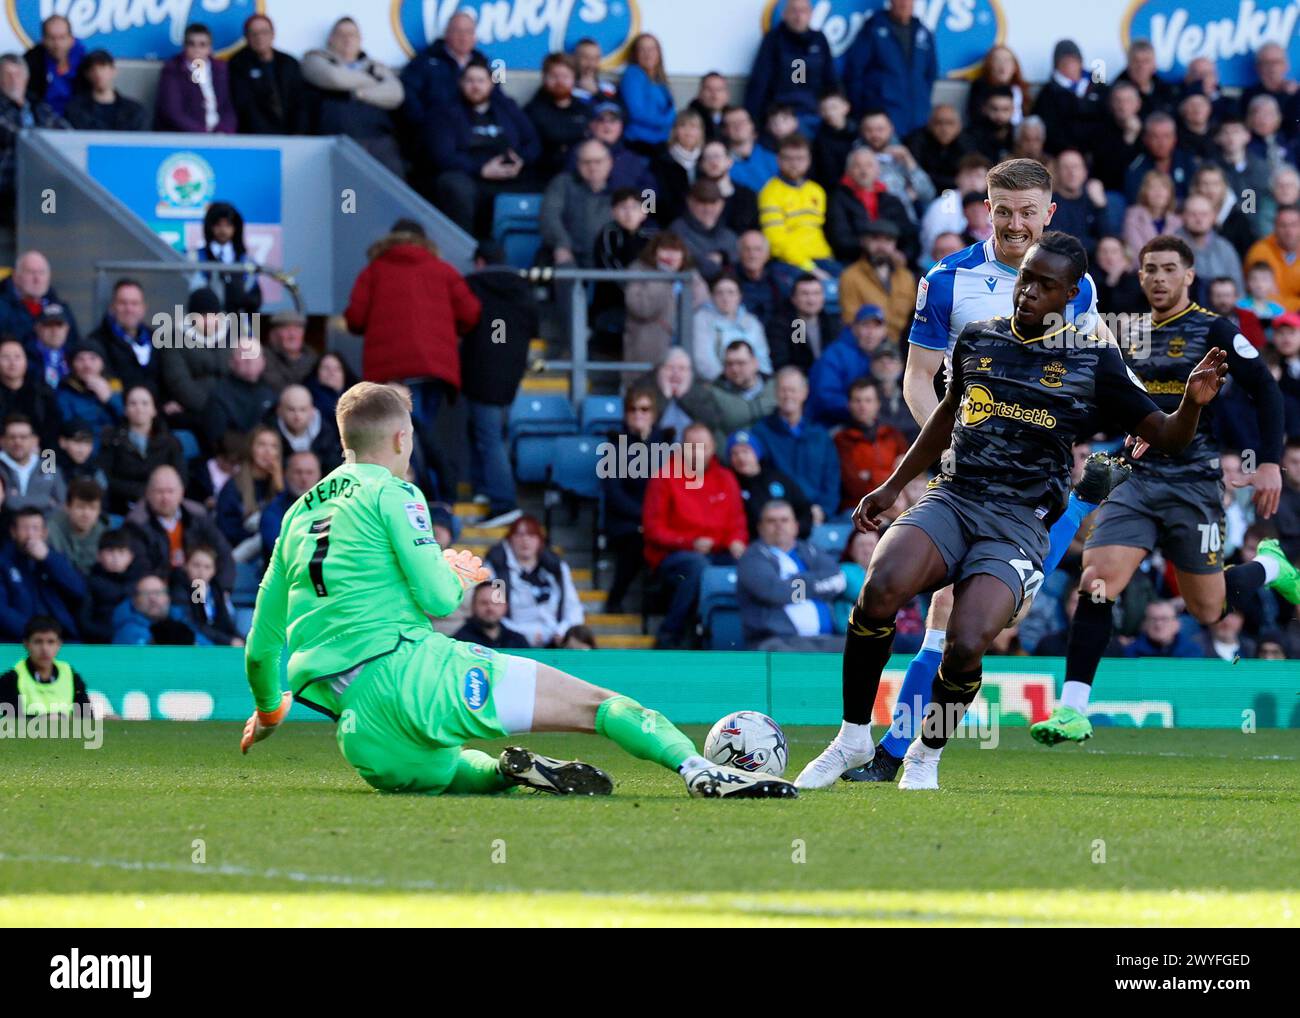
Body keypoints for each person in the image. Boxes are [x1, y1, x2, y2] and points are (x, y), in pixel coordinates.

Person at [800, 232, 1231, 792]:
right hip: (954, 497)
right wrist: (892, 486)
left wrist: (1190, 406)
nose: (1026, 291)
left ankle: (926, 754)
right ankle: (852, 737)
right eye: (1025, 277)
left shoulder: (1093, 361)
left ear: (1070, 293)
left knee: (967, 641)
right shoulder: (979, 339)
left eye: (1043, 284)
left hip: (1018, 521)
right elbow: (945, 418)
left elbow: (1167, 437)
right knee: (880, 587)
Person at [240, 383, 795, 797]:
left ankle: (508, 771)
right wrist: (451, 570)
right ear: (402, 436)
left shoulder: (293, 516)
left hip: (358, 726)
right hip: (417, 673)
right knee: (599, 706)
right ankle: (698, 770)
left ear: (343, 442)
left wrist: (268, 714)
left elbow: (261, 646)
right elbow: (438, 601)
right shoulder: (396, 493)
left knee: (450, 769)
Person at [845, 161, 1119, 784]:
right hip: (962, 470)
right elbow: (920, 378)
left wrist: (1155, 417)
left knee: (968, 623)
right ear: (985, 209)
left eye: (1028, 212)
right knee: (940, 610)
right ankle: (895, 752)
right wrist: (941, 447)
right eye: (1003, 210)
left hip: (1028, 483)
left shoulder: (1076, 285)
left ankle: (901, 752)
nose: (1015, 223)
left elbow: (1101, 360)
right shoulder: (946, 281)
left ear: (1049, 212)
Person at [1031, 235, 1296, 746]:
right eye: (1149, 268)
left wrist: (1268, 463)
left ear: (1189, 276)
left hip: (1194, 486)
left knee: (1208, 609)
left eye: (1168, 269)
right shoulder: (1125, 330)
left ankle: (1270, 567)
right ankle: (1072, 710)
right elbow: (1106, 398)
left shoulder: (1215, 329)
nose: (1157, 278)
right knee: (1097, 581)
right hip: (1136, 479)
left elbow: (1265, 390)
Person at [344, 220, 480, 473]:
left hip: (389, 372)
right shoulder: (444, 270)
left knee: (400, 433)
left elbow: (355, 318)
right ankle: (432, 486)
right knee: (416, 429)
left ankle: (424, 485)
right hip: (432, 369)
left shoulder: (374, 271)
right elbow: (471, 313)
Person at [642, 423, 748, 649]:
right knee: (697, 567)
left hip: (719, 552)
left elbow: (737, 521)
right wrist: (689, 543)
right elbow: (653, 529)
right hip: (673, 556)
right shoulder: (665, 477)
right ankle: (669, 636)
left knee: (751, 565)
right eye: (691, 446)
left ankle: (737, 637)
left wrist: (737, 541)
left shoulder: (726, 477)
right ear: (681, 448)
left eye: (703, 446)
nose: (697, 452)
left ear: (712, 448)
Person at [462, 242, 537, 527]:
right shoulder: (523, 288)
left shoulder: (472, 285)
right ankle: (483, 489)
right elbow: (534, 326)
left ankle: (504, 502)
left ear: (480, 262)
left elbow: (463, 320)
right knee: (491, 434)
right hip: (510, 373)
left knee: (490, 438)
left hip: (480, 371)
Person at [429, 62, 540, 235]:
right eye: (470, 81)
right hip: (470, 176)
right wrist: (480, 169)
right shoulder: (446, 112)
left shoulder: (507, 108)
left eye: (481, 81)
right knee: (453, 185)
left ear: (491, 83)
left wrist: (521, 160)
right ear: (460, 84)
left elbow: (532, 142)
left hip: (510, 175)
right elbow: (443, 155)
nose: (475, 86)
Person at [737, 499, 845, 651]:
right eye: (771, 521)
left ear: (795, 526)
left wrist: (795, 583)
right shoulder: (752, 557)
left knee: (867, 650)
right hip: (777, 640)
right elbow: (775, 592)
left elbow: (838, 579)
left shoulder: (810, 550)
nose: (779, 525)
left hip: (824, 639)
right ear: (760, 528)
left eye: (784, 520)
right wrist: (816, 585)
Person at [302, 17, 404, 175]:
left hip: (379, 143)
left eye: (352, 34)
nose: (347, 39)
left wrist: (359, 93)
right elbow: (335, 78)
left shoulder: (375, 66)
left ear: (360, 39)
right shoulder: (316, 59)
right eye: (341, 34)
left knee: (392, 193)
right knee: (349, 196)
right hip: (338, 142)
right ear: (331, 38)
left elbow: (396, 94)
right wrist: (375, 82)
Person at [124, 465, 234, 592]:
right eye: (159, 491)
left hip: (198, 589)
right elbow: (141, 568)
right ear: (148, 493)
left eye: (170, 491)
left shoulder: (198, 515)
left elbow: (223, 552)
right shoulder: (136, 523)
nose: (165, 498)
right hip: (161, 594)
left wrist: (223, 590)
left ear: (181, 492)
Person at [752, 366, 839, 522]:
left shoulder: (820, 435)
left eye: (793, 390)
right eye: (783, 390)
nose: (788, 395)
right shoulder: (761, 432)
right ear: (776, 393)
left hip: (816, 515)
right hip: (777, 517)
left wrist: (824, 510)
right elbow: (759, 480)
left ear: (804, 393)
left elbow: (832, 479)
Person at [483, 515, 584, 648]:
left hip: (555, 638)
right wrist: (522, 634)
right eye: (519, 535)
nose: (525, 540)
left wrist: (562, 630)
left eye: (531, 535)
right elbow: (494, 610)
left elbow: (573, 607)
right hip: (513, 638)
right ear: (510, 540)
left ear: (540, 541)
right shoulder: (498, 569)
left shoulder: (556, 568)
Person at [842, 0, 937, 138]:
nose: (904, 4)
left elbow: (930, 74)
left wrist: (921, 100)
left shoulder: (923, 32)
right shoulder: (873, 29)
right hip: (883, 120)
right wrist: (861, 110)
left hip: (917, 119)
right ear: (891, 2)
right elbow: (855, 72)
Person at [744, 0, 837, 135]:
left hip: (814, 112)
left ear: (811, 15)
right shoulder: (773, 40)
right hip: (781, 112)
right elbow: (760, 81)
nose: (798, 16)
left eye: (803, 11)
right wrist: (753, 120)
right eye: (794, 11)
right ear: (784, 14)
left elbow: (830, 78)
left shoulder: (819, 39)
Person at [622, 233, 708, 371]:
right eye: (665, 250)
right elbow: (642, 308)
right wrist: (663, 278)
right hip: (648, 348)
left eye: (676, 251)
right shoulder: (639, 270)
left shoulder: (690, 274)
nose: (671, 256)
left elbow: (703, 302)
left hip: (684, 345)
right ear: (654, 252)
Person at [399, 8, 488, 142]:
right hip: (440, 136)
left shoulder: (485, 63)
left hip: (481, 133)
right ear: (447, 34)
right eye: (458, 31)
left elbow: (499, 100)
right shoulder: (424, 62)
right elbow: (408, 96)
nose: (464, 37)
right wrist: (427, 126)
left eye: (469, 31)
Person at [0, 507, 85, 641]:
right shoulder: (3, 562)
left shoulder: (55, 558)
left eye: (35, 528)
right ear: (13, 532)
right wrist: (33, 633)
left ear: (44, 533)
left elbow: (78, 590)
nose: (30, 534)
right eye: (24, 528)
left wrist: (48, 559)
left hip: (60, 637)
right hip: (16, 639)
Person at [99, 386, 186, 516]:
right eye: (133, 403)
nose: (139, 408)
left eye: (145, 403)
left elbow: (180, 478)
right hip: (122, 506)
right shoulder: (112, 440)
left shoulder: (171, 442)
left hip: (163, 505)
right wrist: (140, 492)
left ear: (154, 410)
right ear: (125, 410)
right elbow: (106, 477)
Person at [0, 55, 67, 220]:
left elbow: (67, 135)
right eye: (7, 74)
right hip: (8, 182)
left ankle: (48, 226)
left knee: (52, 189)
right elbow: (11, 135)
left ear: (26, 78)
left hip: (41, 179)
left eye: (18, 74)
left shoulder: (39, 107)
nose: (13, 79)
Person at [760, 134, 835, 278]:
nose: (794, 164)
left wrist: (828, 258)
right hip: (789, 262)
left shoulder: (816, 191)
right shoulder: (770, 192)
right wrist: (809, 267)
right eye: (788, 158)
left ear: (809, 160)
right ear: (778, 160)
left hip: (823, 257)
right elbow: (776, 240)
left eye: (800, 158)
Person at [826, 147, 915, 265]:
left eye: (869, 165)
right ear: (848, 171)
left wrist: (904, 255)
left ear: (878, 170)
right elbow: (840, 239)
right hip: (855, 262)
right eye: (857, 166)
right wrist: (875, 249)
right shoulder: (838, 199)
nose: (864, 171)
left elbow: (910, 236)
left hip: (893, 262)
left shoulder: (892, 201)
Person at [833, 378, 909, 511]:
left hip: (895, 504)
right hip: (858, 507)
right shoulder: (842, 440)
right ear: (849, 404)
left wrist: (870, 475)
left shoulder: (893, 434)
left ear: (877, 404)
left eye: (868, 400)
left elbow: (908, 475)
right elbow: (853, 486)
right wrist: (890, 475)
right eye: (857, 400)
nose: (862, 406)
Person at [808, 304, 889, 426]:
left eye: (876, 326)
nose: (871, 333)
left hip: (876, 423)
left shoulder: (888, 355)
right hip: (833, 424)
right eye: (865, 325)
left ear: (884, 331)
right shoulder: (835, 354)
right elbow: (824, 397)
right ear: (854, 328)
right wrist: (860, 408)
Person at [228, 13, 306, 135]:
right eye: (254, 33)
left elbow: (301, 103)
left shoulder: (289, 62)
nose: (260, 37)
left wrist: (299, 134)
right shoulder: (238, 64)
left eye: (264, 32)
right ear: (246, 37)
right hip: (256, 136)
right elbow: (244, 105)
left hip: (292, 135)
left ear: (273, 34)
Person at [540, 138, 612, 266]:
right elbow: (549, 216)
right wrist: (561, 245)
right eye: (587, 162)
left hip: (607, 260)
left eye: (598, 161)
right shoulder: (562, 183)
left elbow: (649, 195)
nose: (592, 167)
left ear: (609, 163)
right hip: (566, 256)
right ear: (578, 164)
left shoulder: (622, 189)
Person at [153, 22, 235, 133]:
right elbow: (173, 111)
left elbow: (229, 107)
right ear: (184, 46)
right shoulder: (173, 70)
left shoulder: (220, 69)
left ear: (210, 48)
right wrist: (202, 133)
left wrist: (223, 130)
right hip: (187, 136)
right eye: (191, 44)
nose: (197, 48)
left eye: (202, 44)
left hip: (220, 136)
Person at [728, 429, 811, 538]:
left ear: (757, 453)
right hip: (754, 544)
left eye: (745, 451)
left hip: (790, 540)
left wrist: (796, 530)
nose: (741, 458)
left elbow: (803, 509)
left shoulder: (777, 478)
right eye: (735, 453)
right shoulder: (730, 483)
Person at [0, 617, 90, 717]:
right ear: (26, 644)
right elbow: (11, 722)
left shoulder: (71, 675)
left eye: (50, 642)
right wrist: (47, 720)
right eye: (38, 642)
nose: (44, 649)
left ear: (59, 645)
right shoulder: (10, 679)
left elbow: (87, 718)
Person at [216, 425, 284, 556]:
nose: (268, 452)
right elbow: (226, 528)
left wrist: (279, 484)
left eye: (273, 446)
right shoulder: (234, 486)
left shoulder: (285, 483)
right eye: (261, 445)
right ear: (251, 448)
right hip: (242, 551)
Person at [857, 108, 936, 221]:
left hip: (904, 224)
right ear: (862, 132)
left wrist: (909, 160)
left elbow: (928, 194)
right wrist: (905, 197)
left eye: (880, 129)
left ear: (891, 129)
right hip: (870, 223)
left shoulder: (902, 155)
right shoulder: (856, 157)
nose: (874, 135)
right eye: (869, 130)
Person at [525, 53, 592, 183]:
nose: (560, 81)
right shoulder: (532, 110)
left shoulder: (584, 109)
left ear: (574, 79)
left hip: (583, 174)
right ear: (544, 78)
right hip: (544, 176)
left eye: (565, 76)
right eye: (554, 76)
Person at [1034, 39, 1107, 156]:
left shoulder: (1099, 86)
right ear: (1056, 65)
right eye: (1064, 62)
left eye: (1074, 61)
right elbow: (1049, 128)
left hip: (1099, 151)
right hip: (1064, 154)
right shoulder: (1048, 93)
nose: (1070, 66)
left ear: (1080, 62)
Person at [87, 279, 158, 398]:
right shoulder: (96, 342)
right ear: (112, 307)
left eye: (135, 303)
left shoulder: (157, 339)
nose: (129, 309)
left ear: (143, 308)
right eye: (123, 303)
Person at [691, 273, 768, 381]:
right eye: (719, 293)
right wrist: (727, 381)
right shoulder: (701, 319)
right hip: (718, 384)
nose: (725, 298)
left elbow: (762, 358)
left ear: (739, 296)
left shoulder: (752, 322)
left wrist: (759, 381)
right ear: (712, 296)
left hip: (751, 383)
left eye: (731, 293)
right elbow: (703, 360)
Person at [0, 250, 79, 349]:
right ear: (16, 277)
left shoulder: (61, 309)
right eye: (30, 272)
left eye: (42, 273)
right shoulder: (3, 309)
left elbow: (75, 347)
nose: (37, 279)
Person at [707, 340, 777, 446]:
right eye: (729, 364)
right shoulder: (714, 394)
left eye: (741, 363)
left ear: (755, 363)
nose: (734, 369)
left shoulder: (775, 387)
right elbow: (715, 434)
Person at [171, 543, 243, 646]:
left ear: (214, 571)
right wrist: (228, 641)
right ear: (186, 566)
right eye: (196, 565)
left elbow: (226, 623)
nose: (201, 571)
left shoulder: (215, 590)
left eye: (207, 567)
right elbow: (194, 625)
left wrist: (242, 640)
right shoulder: (180, 590)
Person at [112, 572, 211, 645]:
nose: (153, 599)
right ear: (135, 600)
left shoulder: (182, 622)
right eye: (145, 594)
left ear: (167, 597)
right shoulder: (128, 631)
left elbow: (208, 651)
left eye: (158, 593)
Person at [1177, 193, 1245, 297]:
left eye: (1204, 214)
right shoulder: (1170, 247)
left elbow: (1238, 292)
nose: (1199, 219)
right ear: (1183, 216)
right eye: (1193, 214)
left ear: (1214, 217)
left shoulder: (1225, 248)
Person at [671, 179, 738, 284]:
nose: (708, 209)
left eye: (713, 203)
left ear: (722, 204)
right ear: (690, 202)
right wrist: (721, 261)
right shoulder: (676, 230)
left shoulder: (729, 236)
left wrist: (723, 257)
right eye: (702, 202)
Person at [79, 529, 140, 643]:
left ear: (131, 557)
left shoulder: (140, 584)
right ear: (99, 556)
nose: (116, 558)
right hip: (102, 643)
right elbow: (85, 622)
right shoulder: (90, 583)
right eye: (110, 551)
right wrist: (115, 635)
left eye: (121, 552)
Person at [767, 274, 837, 372]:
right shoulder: (781, 326)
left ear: (823, 297)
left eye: (816, 293)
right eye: (805, 294)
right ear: (793, 299)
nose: (811, 300)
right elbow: (782, 363)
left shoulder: (832, 323)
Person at [648, 110, 706, 227]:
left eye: (694, 127)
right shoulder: (660, 161)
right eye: (683, 126)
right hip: (667, 224)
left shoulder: (706, 161)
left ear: (701, 132)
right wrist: (649, 220)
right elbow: (648, 193)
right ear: (675, 131)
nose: (689, 132)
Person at [260, 450, 321, 563]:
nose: (304, 478)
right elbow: (285, 554)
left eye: (309, 472)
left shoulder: (332, 507)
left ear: (319, 476)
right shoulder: (273, 511)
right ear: (286, 474)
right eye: (298, 472)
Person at [1124, 112, 1196, 204]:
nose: (1162, 143)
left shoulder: (1187, 160)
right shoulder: (1136, 166)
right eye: (1155, 137)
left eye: (1167, 136)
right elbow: (1135, 200)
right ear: (1145, 139)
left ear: (1175, 139)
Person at [63, 49, 145, 131]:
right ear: (87, 74)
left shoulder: (134, 111)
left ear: (113, 71)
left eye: (103, 67)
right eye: (93, 69)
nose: (98, 74)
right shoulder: (76, 109)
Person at [619, 33, 674, 151]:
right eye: (642, 49)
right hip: (639, 143)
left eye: (652, 49)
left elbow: (671, 109)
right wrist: (665, 121)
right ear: (635, 54)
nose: (648, 54)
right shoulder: (633, 75)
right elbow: (636, 112)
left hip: (661, 142)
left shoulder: (660, 80)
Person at [272, 385, 343, 476]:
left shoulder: (327, 434)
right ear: (279, 410)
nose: (297, 416)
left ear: (312, 411)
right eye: (291, 409)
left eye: (303, 410)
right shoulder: (268, 434)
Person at [906, 104, 977, 196]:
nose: (944, 129)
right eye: (938, 123)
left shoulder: (968, 142)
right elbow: (918, 175)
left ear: (959, 126)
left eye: (950, 123)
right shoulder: (916, 140)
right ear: (929, 124)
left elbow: (969, 175)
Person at [0, 413, 64, 513]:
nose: (18, 442)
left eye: (23, 437)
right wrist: (46, 500)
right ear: (2, 441)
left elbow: (61, 506)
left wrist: (16, 498)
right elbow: (9, 502)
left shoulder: (49, 466)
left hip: (45, 527)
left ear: (35, 441)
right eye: (12, 437)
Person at [1050, 149, 1107, 259]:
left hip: (1094, 264)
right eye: (1066, 167)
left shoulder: (1093, 200)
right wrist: (1095, 245)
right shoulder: (1050, 204)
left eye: (1076, 167)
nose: (1071, 173)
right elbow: (1058, 244)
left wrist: (1101, 206)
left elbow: (1107, 239)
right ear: (1056, 173)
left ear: (1085, 172)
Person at [22, 14, 82, 117]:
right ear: (43, 40)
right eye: (52, 38)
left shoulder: (85, 63)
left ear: (72, 39)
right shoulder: (31, 62)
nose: (57, 44)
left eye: (62, 38)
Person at [47, 477, 105, 576]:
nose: (86, 514)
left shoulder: (104, 535)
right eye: (80, 507)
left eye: (93, 508)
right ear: (67, 507)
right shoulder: (51, 530)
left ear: (99, 511)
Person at [1246, 206, 1300, 312]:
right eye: (1283, 225)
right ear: (1274, 227)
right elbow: (1261, 294)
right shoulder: (1260, 251)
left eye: (1294, 225)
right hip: (1268, 315)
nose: (1289, 231)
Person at [1122, 169, 1182, 259]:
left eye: (1164, 187)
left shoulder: (1177, 222)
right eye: (1153, 187)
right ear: (1144, 192)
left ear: (1170, 194)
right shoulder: (1133, 217)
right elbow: (1136, 254)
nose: (1158, 192)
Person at [454, 581, 529, 650]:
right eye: (484, 603)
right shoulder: (459, 643)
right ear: (473, 605)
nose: (490, 608)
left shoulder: (518, 641)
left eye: (496, 603)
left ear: (505, 606)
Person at [723, 106, 778, 196]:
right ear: (724, 130)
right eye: (732, 123)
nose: (738, 126)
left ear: (752, 125)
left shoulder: (774, 159)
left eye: (742, 122)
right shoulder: (720, 164)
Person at [1123, 600, 1204, 658]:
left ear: (1176, 624)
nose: (1159, 624)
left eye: (1164, 619)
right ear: (1145, 624)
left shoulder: (1193, 652)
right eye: (1153, 619)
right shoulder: (1130, 653)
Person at [260, 311, 317, 391]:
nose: (292, 335)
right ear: (273, 335)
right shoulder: (263, 358)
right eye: (286, 329)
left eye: (297, 329)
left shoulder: (314, 358)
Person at [571, 38, 620, 107]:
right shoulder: (565, 84)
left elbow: (617, 111)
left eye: (595, 58)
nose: (591, 63)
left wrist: (596, 92)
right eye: (585, 57)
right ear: (574, 58)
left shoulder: (610, 85)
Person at [689, 71, 730, 144]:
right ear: (700, 93)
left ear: (727, 95)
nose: (714, 95)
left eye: (719, 89)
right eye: (709, 89)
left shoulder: (733, 119)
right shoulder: (688, 120)